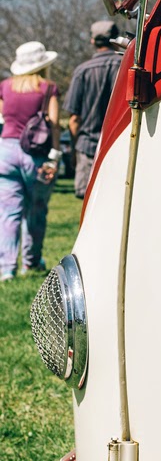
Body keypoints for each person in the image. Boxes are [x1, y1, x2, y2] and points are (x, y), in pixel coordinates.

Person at [0, 41, 60, 280]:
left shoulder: (5, 87)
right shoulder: (48, 89)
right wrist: (55, 156)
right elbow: (54, 124)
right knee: (36, 211)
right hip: (35, 155)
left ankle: (6, 268)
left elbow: (2, 119)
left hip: (6, 152)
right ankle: (31, 262)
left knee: (9, 213)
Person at [63, 20, 122, 199]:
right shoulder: (126, 66)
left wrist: (73, 151)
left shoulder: (82, 71)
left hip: (87, 147)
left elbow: (74, 119)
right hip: (119, 145)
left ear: (92, 41)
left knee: (87, 202)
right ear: (115, 39)